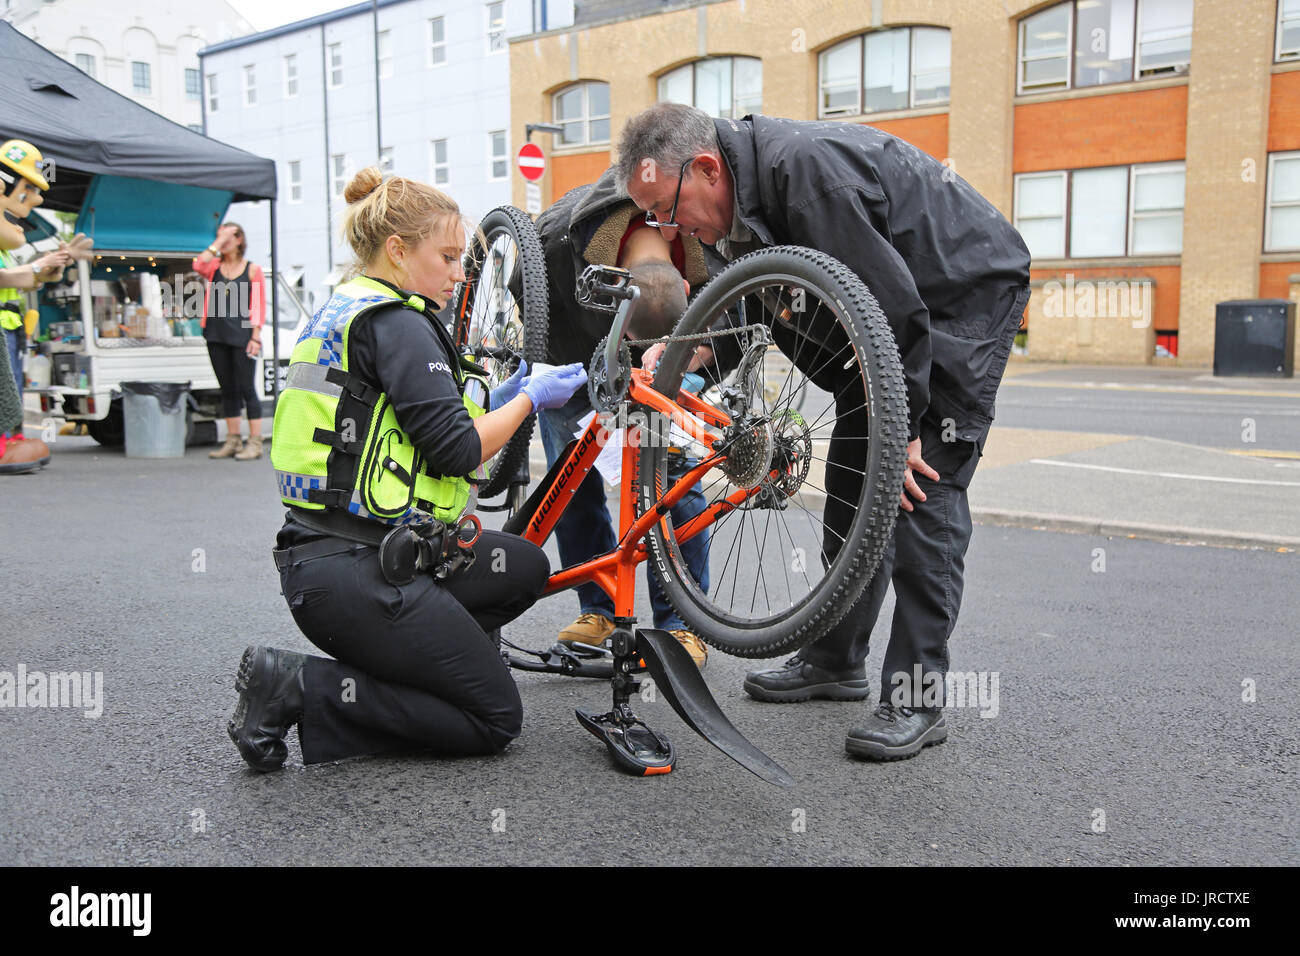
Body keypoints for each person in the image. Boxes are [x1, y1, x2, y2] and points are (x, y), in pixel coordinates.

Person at [617, 104, 1031, 761]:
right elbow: (753, 295)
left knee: (922, 486)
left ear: (705, 168)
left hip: (956, 294)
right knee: (853, 473)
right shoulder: (737, 199)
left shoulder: (806, 179)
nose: (670, 228)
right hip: (880, 320)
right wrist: (694, 351)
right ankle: (836, 659)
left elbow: (894, 302)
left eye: (667, 209)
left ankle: (917, 699)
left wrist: (910, 425)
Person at [227, 166, 587, 772]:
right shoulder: (399, 323)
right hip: (356, 571)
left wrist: (500, 401)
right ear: (397, 250)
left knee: (522, 566)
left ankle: (419, 659)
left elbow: (416, 426)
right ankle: (297, 686)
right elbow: (457, 451)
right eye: (446, 256)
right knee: (494, 719)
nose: (459, 272)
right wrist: (530, 400)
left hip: (349, 553)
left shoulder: (353, 307)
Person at [534, 165, 717, 667]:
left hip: (675, 361)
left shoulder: (708, 244)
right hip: (572, 352)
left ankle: (682, 624)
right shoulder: (557, 238)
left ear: (685, 281)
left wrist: (685, 359)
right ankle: (599, 611)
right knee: (571, 477)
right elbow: (529, 307)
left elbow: (729, 326)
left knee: (674, 476)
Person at [0, 138, 78, 473]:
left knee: (12, 386)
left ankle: (9, 438)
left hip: (11, 324)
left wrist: (47, 270)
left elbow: (17, 279)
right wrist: (37, 266)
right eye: (27, 188)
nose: (36, 198)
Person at [193, 222, 266, 460]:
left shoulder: (253, 269)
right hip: (216, 332)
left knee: (247, 388)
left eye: (227, 236)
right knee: (227, 389)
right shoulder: (214, 266)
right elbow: (198, 264)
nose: (222, 240)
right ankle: (233, 440)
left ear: (239, 240)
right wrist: (218, 241)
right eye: (219, 236)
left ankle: (254, 442)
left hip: (243, 334)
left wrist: (256, 336)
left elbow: (258, 304)